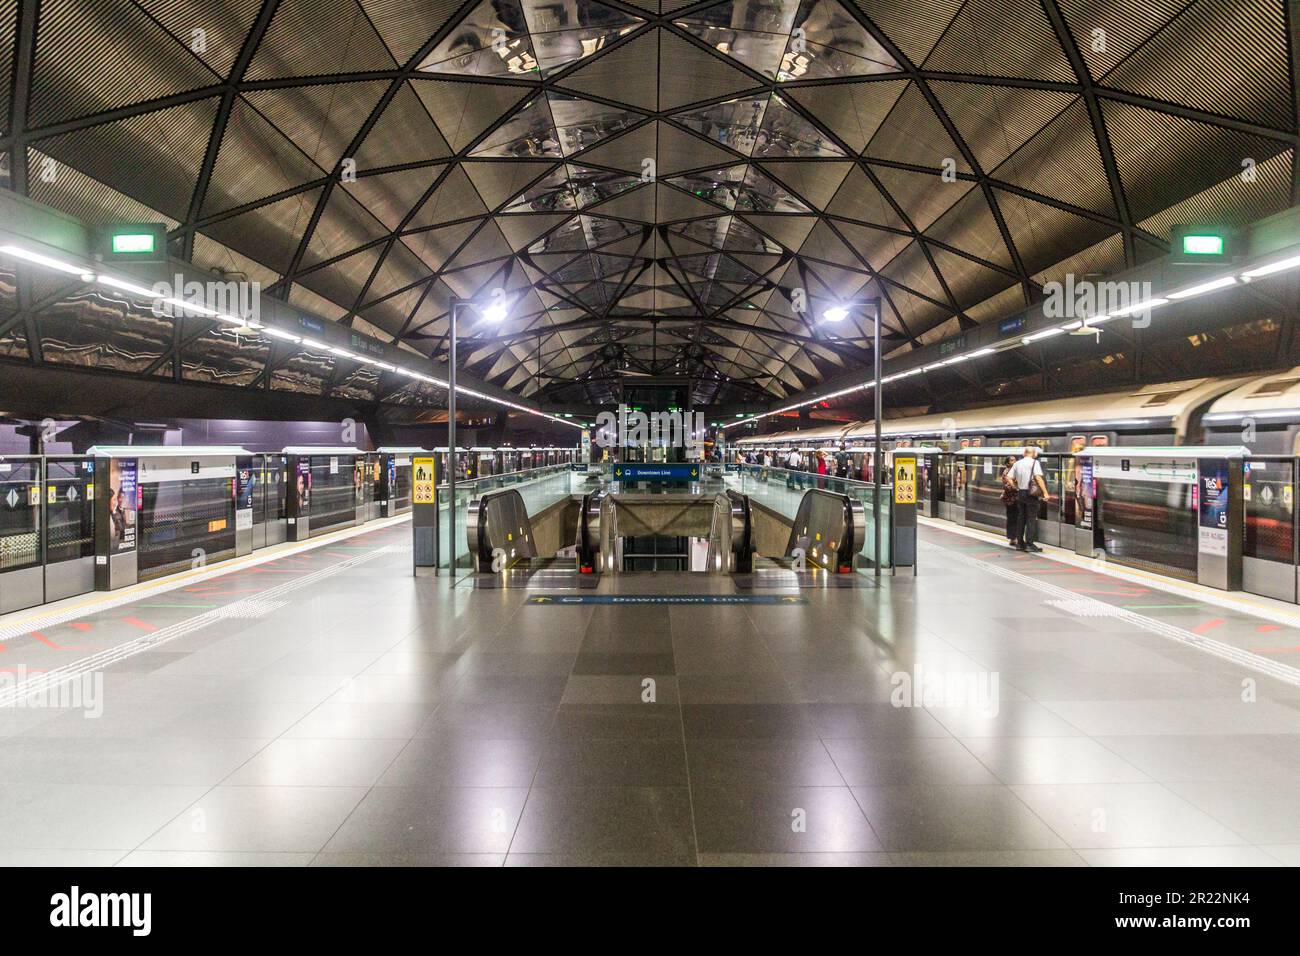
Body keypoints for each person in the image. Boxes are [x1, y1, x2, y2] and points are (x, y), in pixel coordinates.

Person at [1009, 446, 1049, 552]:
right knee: (1031, 518)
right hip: (1031, 494)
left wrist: (1016, 487)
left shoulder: (1017, 463)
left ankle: (1020, 544)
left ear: (1024, 453)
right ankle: (1030, 544)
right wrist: (1045, 492)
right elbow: (1038, 477)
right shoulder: (1034, 463)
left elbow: (1009, 478)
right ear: (1034, 453)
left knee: (1021, 518)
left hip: (1021, 493)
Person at [1000, 455, 1019, 547]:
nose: (1014, 461)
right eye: (1012, 460)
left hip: (1012, 498)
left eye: (1015, 460)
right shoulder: (1008, 472)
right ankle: (1013, 538)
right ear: (1008, 463)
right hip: (1011, 499)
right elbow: (1008, 486)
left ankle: (1013, 537)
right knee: (1013, 518)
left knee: (1013, 518)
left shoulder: (1012, 471)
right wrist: (1017, 487)